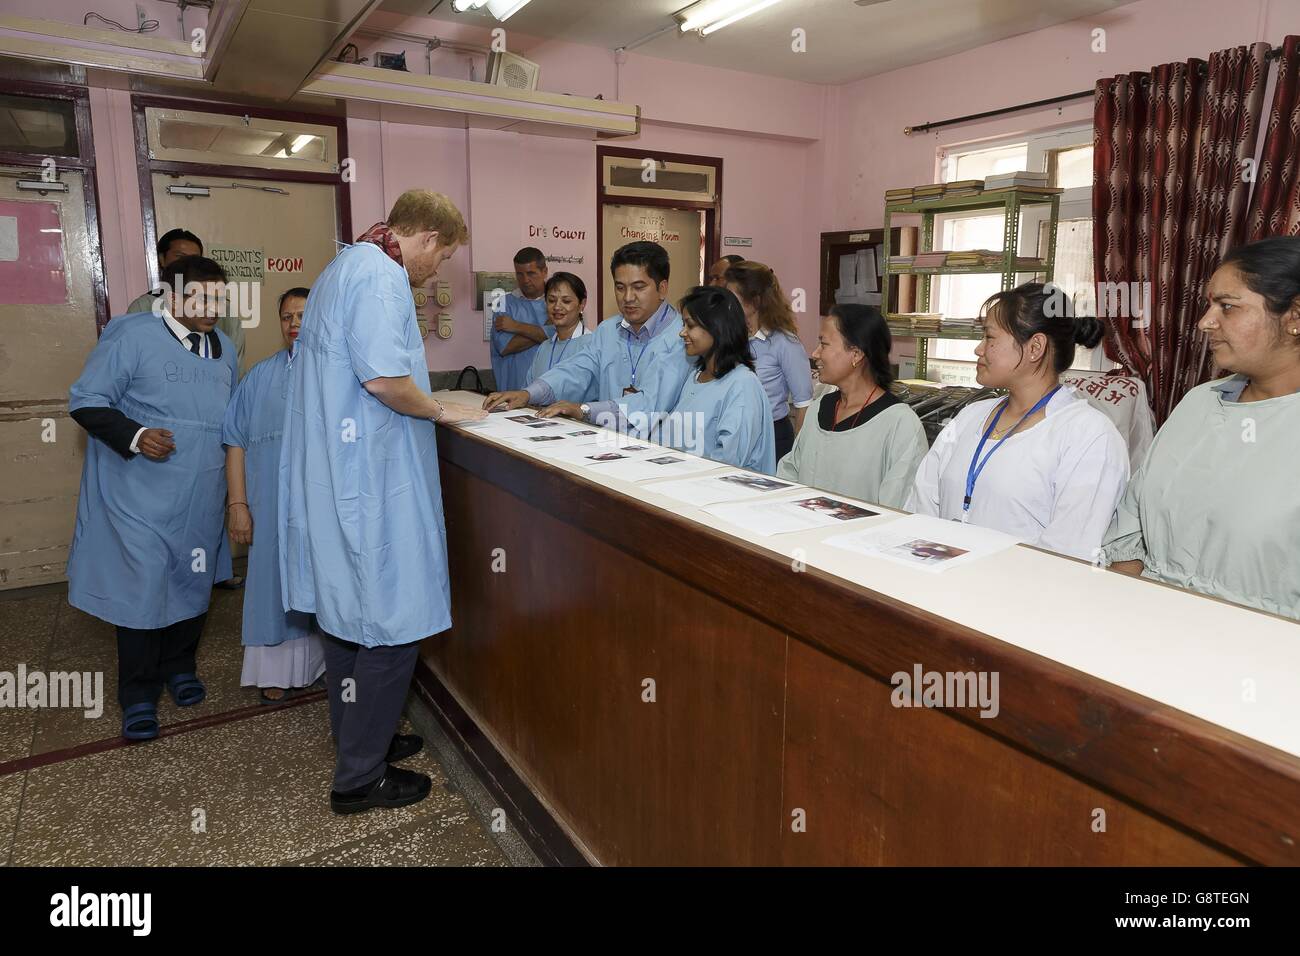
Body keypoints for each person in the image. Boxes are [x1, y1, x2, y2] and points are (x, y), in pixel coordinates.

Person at [278, 190, 486, 814]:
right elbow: (386, 382)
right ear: (423, 235)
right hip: (369, 480)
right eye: (443, 255)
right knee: (395, 627)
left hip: (341, 473)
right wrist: (443, 407)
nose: (437, 269)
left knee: (345, 620)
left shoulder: (346, 264)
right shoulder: (382, 276)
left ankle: (359, 740)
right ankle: (358, 778)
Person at [67, 255, 238, 741]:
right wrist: (137, 434)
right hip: (140, 494)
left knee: (193, 579)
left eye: (218, 298)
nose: (212, 307)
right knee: (142, 589)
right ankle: (138, 694)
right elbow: (86, 400)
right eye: (200, 297)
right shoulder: (131, 335)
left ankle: (180, 667)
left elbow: (228, 422)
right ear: (171, 296)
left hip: (201, 494)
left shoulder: (223, 349)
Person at [1104, 236, 1300, 619]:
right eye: (1210, 305)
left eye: (1228, 307)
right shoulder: (1199, 402)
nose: (1205, 322)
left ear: (1294, 317)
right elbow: (1131, 524)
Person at [906, 282, 1128, 561]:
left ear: (1035, 347)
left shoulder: (1089, 436)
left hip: (1017, 596)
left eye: (989, 338)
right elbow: (922, 503)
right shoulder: (971, 416)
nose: (978, 349)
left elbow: (1069, 553)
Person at [223, 288, 324, 703]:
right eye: (286, 317)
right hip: (268, 509)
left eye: (302, 315)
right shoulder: (259, 377)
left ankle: (322, 664)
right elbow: (235, 442)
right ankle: (274, 670)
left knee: (319, 587)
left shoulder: (333, 376)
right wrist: (238, 505)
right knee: (270, 586)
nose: (294, 324)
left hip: (318, 510)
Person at [483, 241, 690, 439]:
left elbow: (649, 403)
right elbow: (575, 370)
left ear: (662, 289)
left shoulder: (682, 337)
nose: (627, 297)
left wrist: (584, 410)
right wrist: (528, 394)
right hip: (609, 445)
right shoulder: (608, 330)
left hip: (658, 453)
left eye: (638, 287)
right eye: (620, 287)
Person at [778, 305, 927, 508]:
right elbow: (790, 472)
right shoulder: (820, 407)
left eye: (824, 344)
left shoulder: (900, 424)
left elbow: (899, 506)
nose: (815, 354)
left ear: (856, 354)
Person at [656, 285, 775, 474]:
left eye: (691, 325)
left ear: (716, 327)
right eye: (683, 325)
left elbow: (728, 462)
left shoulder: (742, 385)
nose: (682, 333)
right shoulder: (695, 377)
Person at [724, 260, 814, 460]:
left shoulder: (784, 342)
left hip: (772, 434)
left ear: (754, 302)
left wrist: (797, 457)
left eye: (734, 299)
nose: (727, 305)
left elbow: (804, 404)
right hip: (734, 432)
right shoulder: (730, 337)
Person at [126, 229, 246, 365]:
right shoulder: (143, 307)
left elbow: (235, 367)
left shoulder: (225, 313)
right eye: (180, 257)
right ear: (162, 259)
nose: (189, 264)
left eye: (195, 259)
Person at [489, 247, 552, 392]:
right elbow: (507, 347)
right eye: (519, 274)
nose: (525, 280)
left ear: (544, 272)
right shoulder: (503, 304)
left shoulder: (557, 303)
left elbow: (565, 337)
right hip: (513, 391)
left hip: (551, 392)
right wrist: (548, 331)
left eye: (531, 273)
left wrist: (516, 326)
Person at [527, 272, 595, 396]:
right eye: (552, 300)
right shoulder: (544, 347)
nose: (557, 307)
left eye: (566, 301)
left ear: (582, 304)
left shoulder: (591, 345)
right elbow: (528, 387)